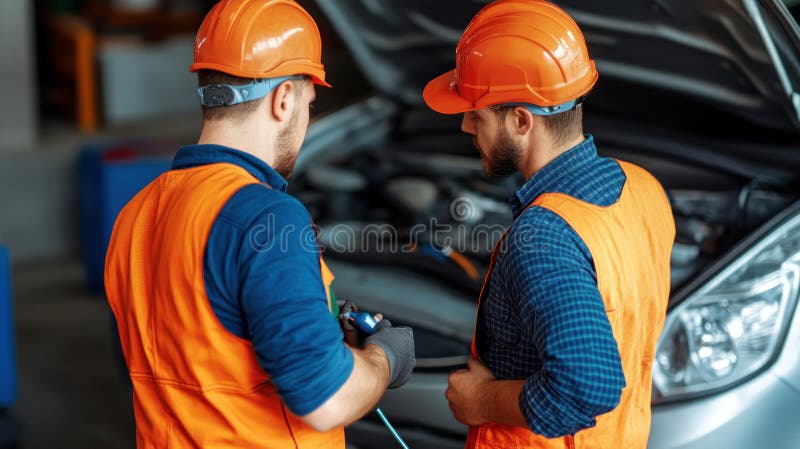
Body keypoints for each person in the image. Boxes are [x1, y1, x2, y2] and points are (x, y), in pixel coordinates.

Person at [104, 1, 415, 447]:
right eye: (309, 104)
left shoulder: (135, 214)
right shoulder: (266, 218)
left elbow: (205, 345)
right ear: (284, 98)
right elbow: (327, 399)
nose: (306, 121)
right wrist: (385, 359)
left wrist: (317, 332)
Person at [422, 1, 675, 448]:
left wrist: (481, 401)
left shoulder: (544, 238)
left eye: (477, 114)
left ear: (521, 120)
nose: (465, 126)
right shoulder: (643, 187)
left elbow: (587, 387)